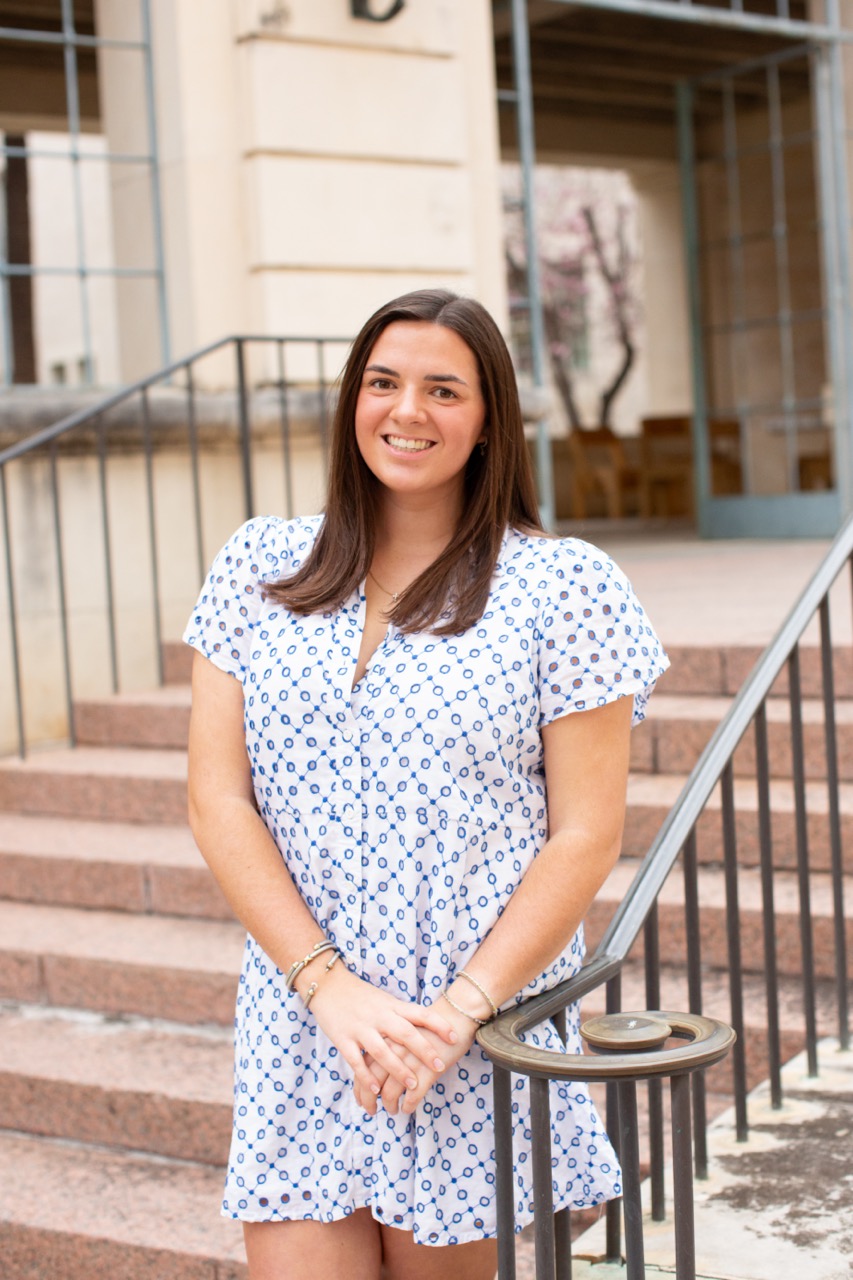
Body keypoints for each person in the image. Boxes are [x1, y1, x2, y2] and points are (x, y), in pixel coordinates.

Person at [184, 288, 668, 1280]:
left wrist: (453, 1016)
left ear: (489, 420)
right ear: (351, 400)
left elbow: (584, 835)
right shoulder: (259, 565)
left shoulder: (563, 587)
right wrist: (327, 988)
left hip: (460, 1032)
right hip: (304, 1015)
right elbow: (217, 800)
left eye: (443, 390)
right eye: (383, 382)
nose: (407, 411)